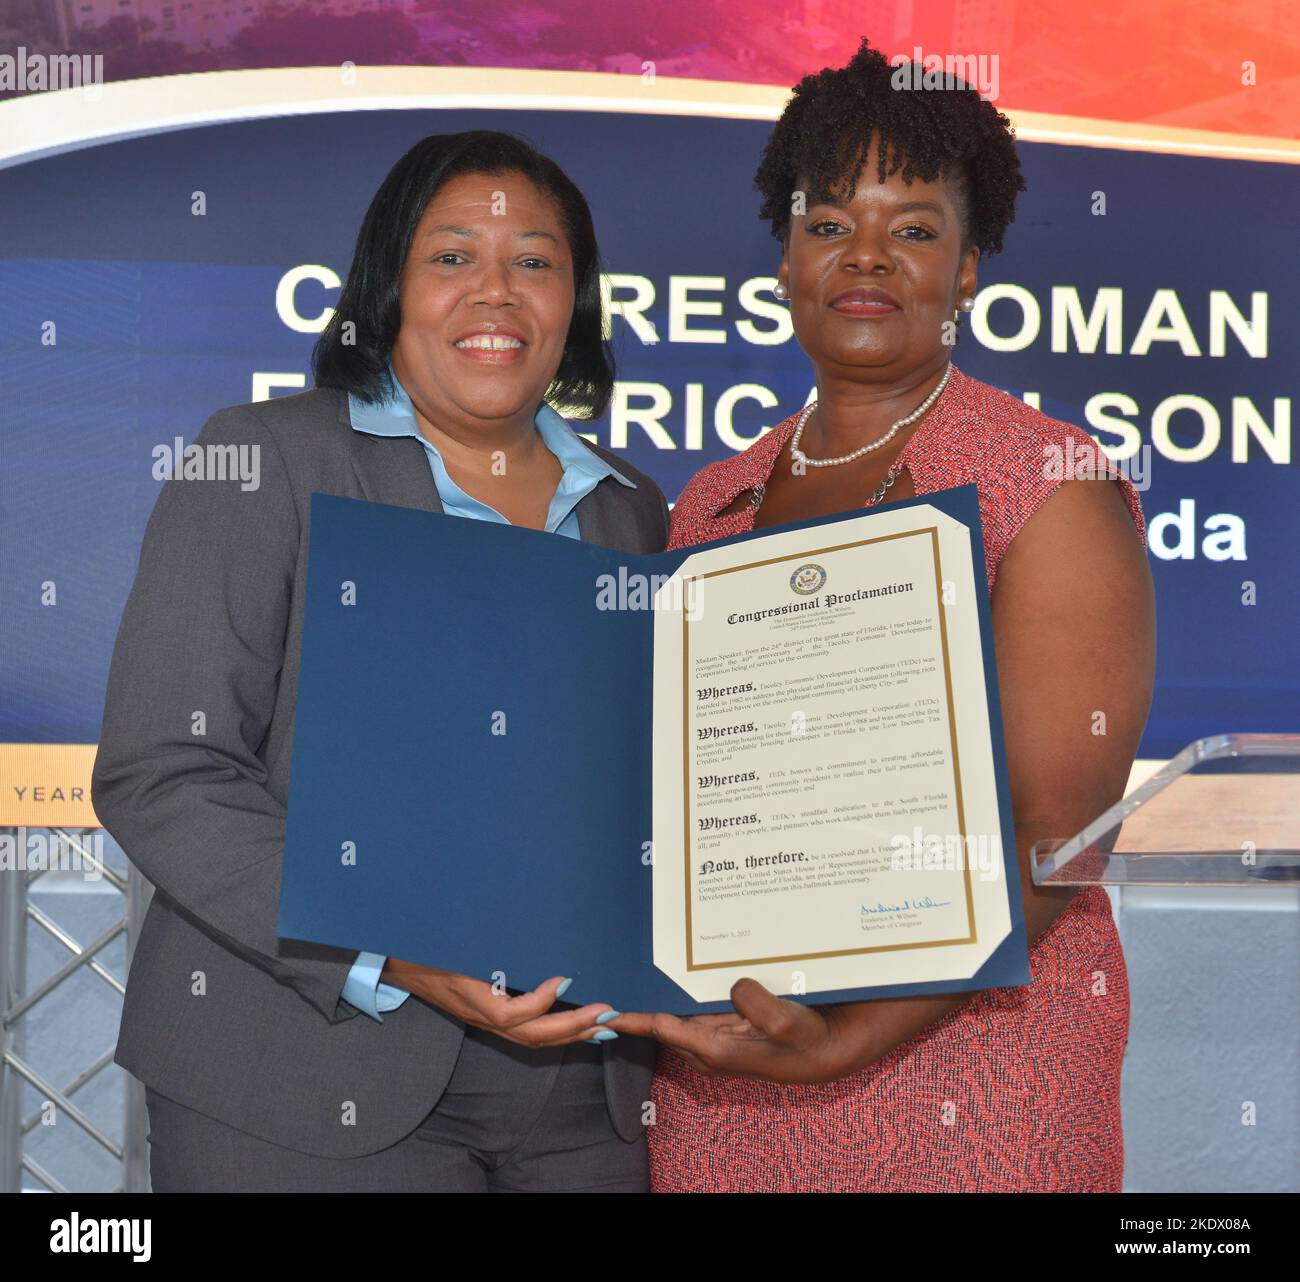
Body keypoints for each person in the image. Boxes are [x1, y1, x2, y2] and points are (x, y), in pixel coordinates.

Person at [612, 40, 1156, 1192]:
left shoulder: (1045, 479)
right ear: (783, 259)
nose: (865, 255)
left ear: (967, 270)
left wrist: (849, 1037)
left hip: (976, 1071)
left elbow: (1052, 837)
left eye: (913, 228)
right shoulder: (712, 500)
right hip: (733, 1061)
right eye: (827, 222)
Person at [92, 130, 665, 1192]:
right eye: (452, 257)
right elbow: (164, 769)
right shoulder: (265, 459)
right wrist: (398, 953)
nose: (496, 293)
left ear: (576, 300)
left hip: (587, 1099)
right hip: (302, 1082)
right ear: (385, 288)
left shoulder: (629, 506)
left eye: (534, 261)